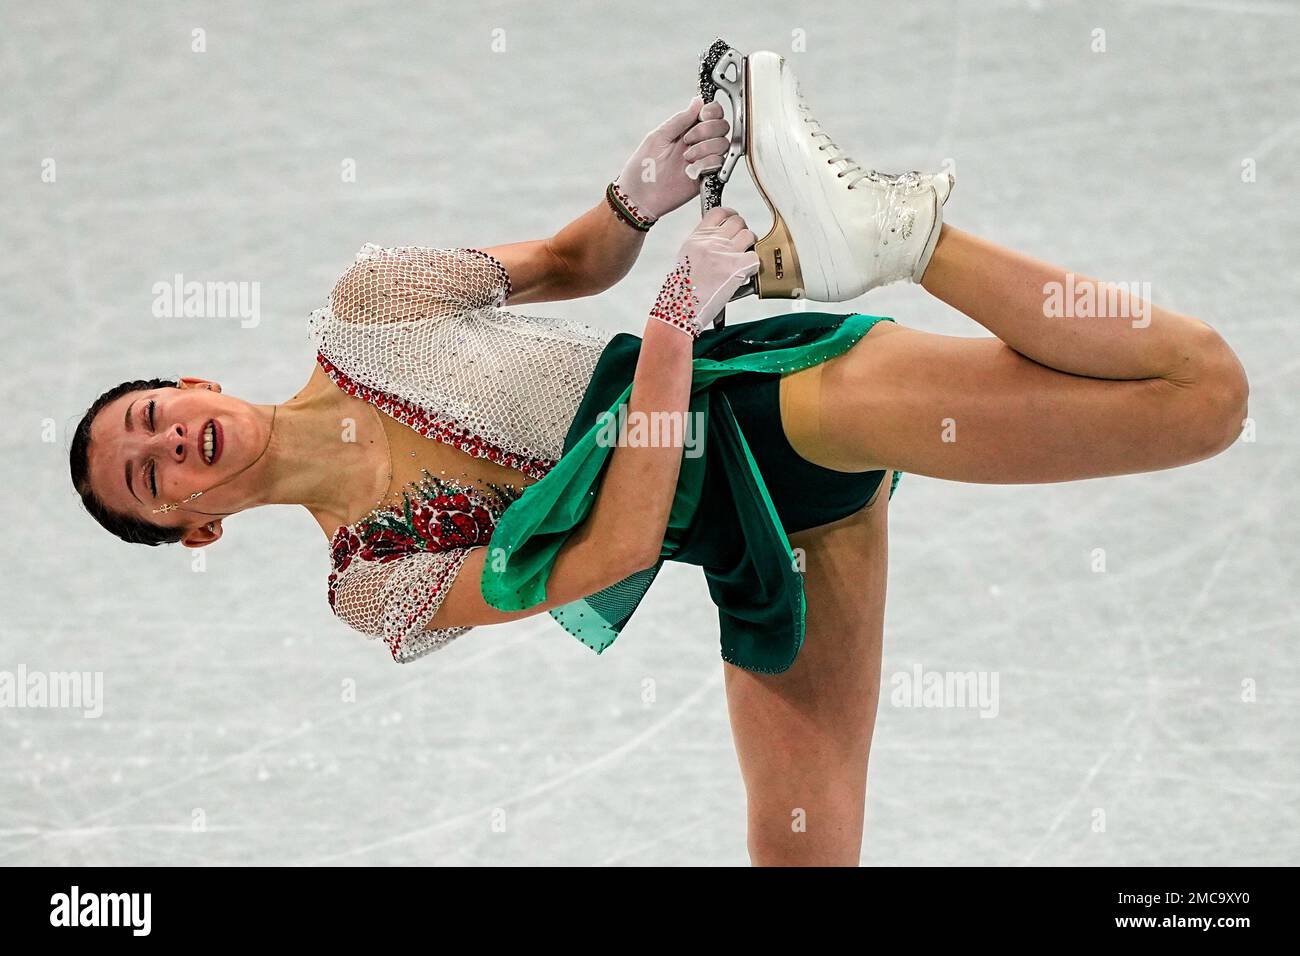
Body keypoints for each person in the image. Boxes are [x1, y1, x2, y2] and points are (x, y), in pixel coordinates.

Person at [69, 86, 1248, 865]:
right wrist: (673, 319)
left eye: (154, 416)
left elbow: (573, 259)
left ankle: (909, 240)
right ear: (194, 529)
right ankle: (891, 240)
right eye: (149, 477)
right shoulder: (371, 581)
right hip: (752, 535)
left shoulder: (371, 302)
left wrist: (635, 195)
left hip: (779, 407)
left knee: (1201, 397)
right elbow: (615, 550)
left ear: (194, 381)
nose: (168, 443)